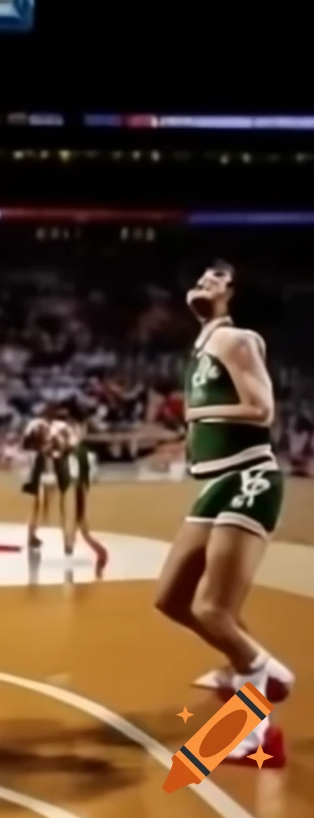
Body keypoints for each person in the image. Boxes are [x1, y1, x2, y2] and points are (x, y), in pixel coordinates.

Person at [154, 260, 293, 764]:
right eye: (204, 276)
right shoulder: (200, 349)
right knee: (171, 598)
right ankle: (253, 664)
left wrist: (195, 413)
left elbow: (262, 410)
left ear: (233, 296)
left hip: (249, 477)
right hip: (215, 483)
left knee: (213, 608)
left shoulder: (238, 340)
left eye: (218, 279)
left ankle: (256, 719)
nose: (205, 281)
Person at [21, 416, 108, 575]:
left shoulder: (57, 442)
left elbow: (63, 465)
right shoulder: (52, 438)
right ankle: (60, 543)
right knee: (67, 509)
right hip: (73, 464)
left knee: (75, 515)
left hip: (76, 468)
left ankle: (80, 549)